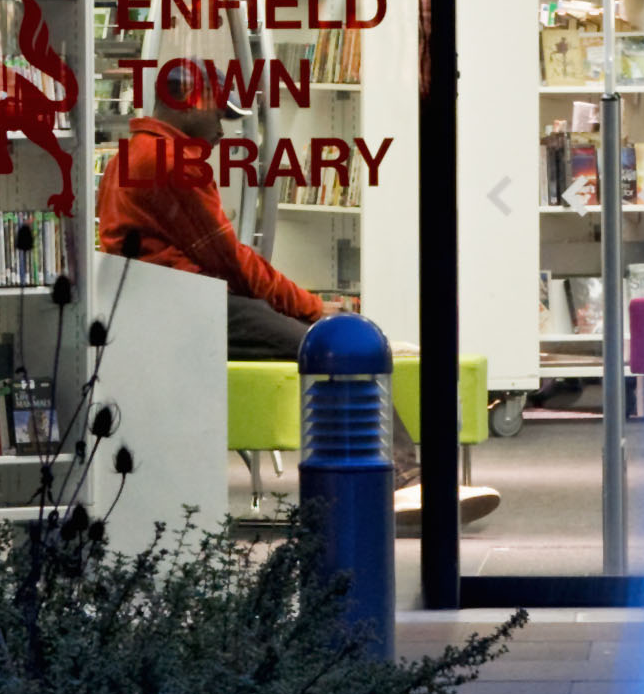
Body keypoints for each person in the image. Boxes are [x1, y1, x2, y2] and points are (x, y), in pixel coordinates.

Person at [93, 59, 498, 516]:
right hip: (188, 306)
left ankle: (393, 476)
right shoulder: (170, 162)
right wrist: (312, 311)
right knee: (339, 350)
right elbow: (232, 260)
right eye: (218, 115)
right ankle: (403, 481)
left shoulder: (131, 156)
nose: (222, 133)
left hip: (164, 304)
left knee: (325, 339)